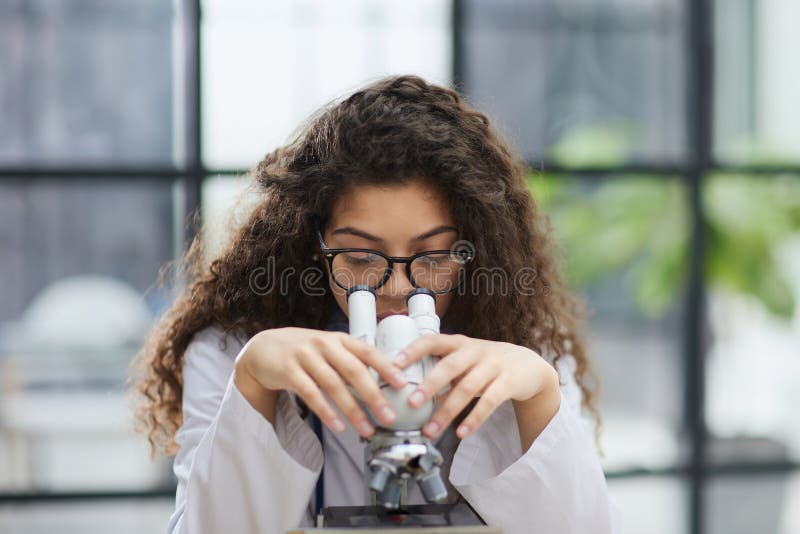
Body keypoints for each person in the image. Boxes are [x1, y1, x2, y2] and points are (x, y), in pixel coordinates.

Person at [131, 74, 620, 533]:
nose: (398, 287)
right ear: (313, 246)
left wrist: (538, 402)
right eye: (362, 255)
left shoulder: (526, 360)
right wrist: (255, 389)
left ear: (476, 248)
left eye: (431, 255)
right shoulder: (226, 352)